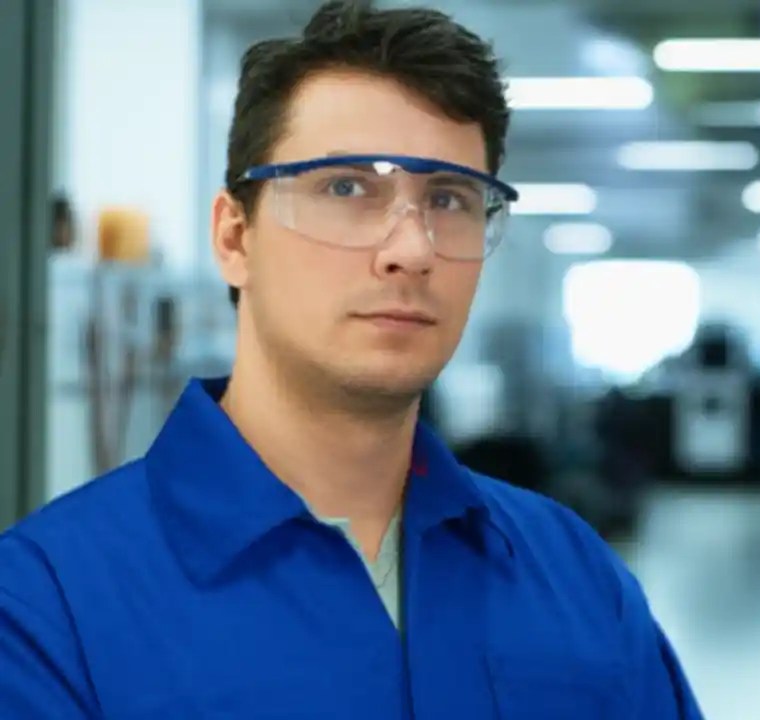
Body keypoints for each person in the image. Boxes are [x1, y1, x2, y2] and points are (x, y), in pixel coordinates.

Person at [0, 2, 703, 717]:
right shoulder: (46, 611)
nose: (413, 249)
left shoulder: (574, 576)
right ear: (235, 238)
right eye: (346, 187)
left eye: (450, 198)